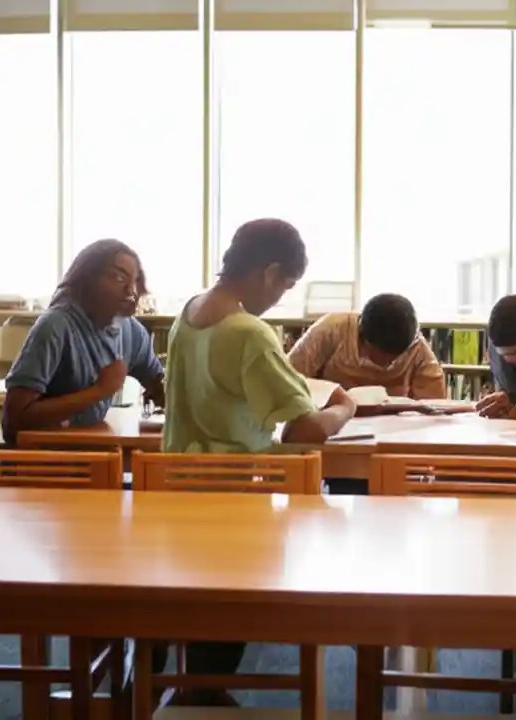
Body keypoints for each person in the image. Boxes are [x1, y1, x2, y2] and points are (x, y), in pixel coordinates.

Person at [159, 218, 356, 706]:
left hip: (175, 484)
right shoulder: (250, 331)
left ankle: (178, 687)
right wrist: (344, 406)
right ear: (269, 272)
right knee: (235, 599)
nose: (282, 296)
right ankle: (204, 693)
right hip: (233, 491)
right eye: (286, 285)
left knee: (189, 593)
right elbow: (304, 429)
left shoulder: (188, 313)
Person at [1, 239, 164, 445]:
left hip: (91, 457)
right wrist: (100, 390)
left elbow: (158, 384)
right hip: (42, 465)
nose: (130, 291)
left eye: (134, 281)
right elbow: (13, 422)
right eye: (118, 276)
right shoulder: (55, 325)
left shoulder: (131, 330)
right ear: (88, 279)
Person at [288, 293, 446, 402]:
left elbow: (435, 404)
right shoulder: (331, 330)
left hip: (392, 430)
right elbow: (287, 379)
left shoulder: (416, 346)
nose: (388, 364)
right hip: (329, 422)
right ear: (362, 337)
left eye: (396, 357)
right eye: (382, 356)